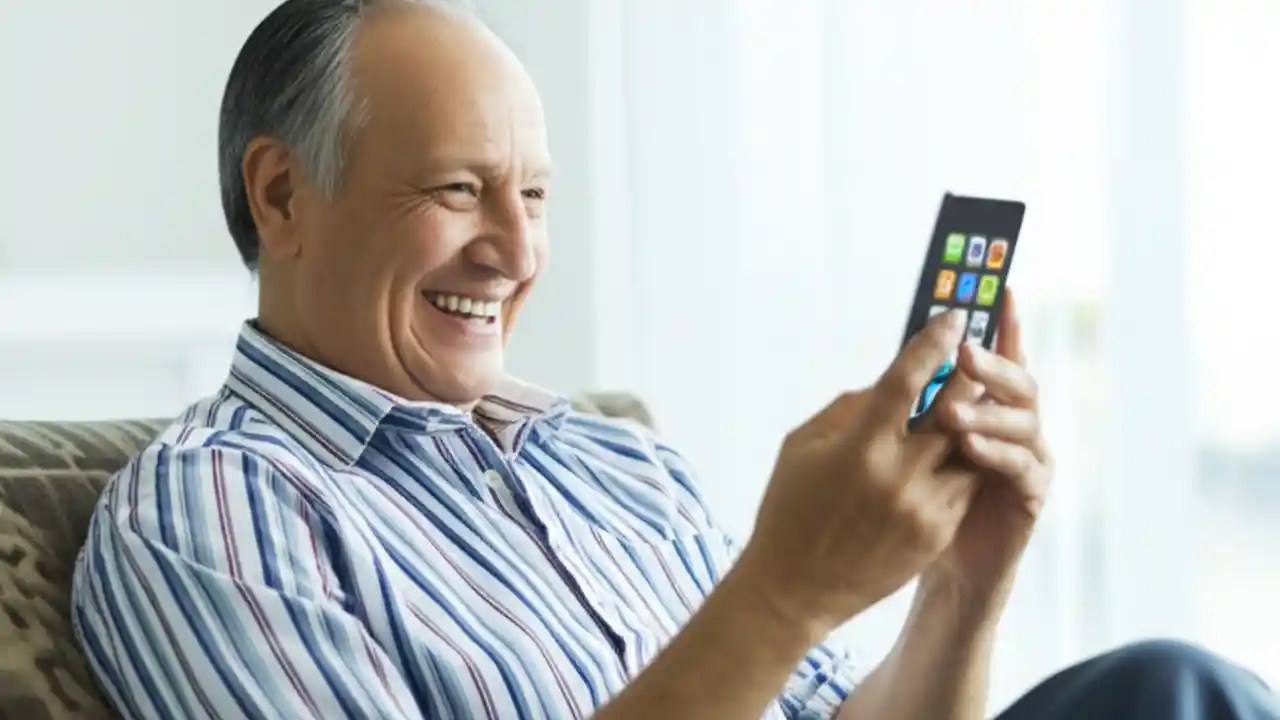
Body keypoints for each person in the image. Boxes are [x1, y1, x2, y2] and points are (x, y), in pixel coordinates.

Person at [71, 1, 1279, 718]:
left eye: (535, 196)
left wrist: (959, 585)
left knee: (1168, 691)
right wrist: (779, 590)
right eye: (456, 190)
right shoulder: (213, 512)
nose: (513, 250)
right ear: (282, 195)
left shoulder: (616, 467)